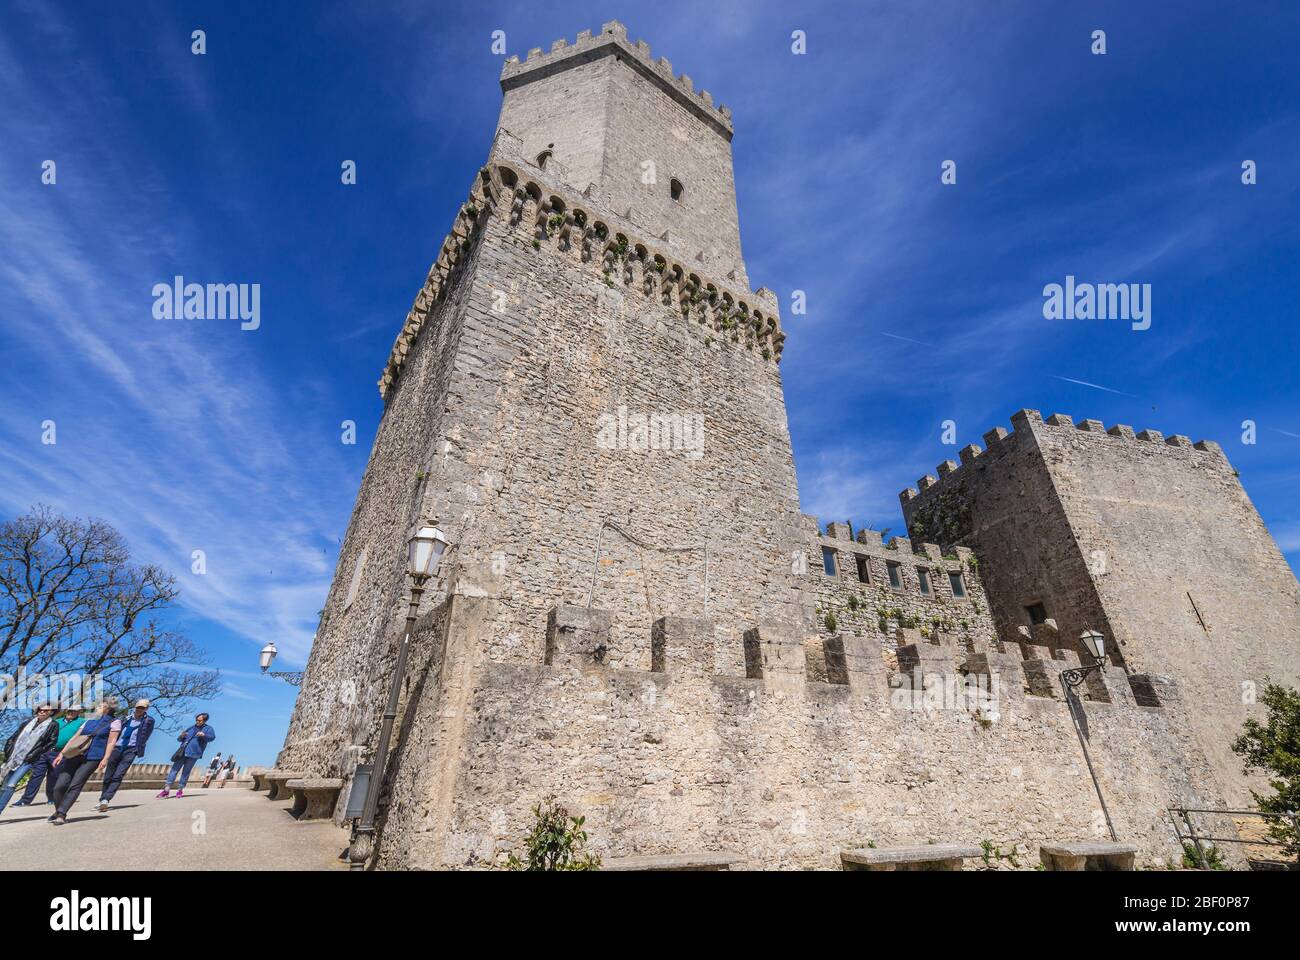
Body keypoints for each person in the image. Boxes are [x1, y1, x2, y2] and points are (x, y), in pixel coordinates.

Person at [49, 697, 120, 825]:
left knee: (75, 784)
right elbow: (74, 738)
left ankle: (62, 814)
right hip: (75, 755)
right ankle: (58, 810)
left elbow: (111, 742)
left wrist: (105, 758)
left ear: (108, 708)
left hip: (93, 757)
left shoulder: (115, 722)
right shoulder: (89, 721)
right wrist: (62, 753)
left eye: (100, 706)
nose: (97, 708)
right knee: (59, 786)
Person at [13, 706, 84, 807]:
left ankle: (51, 798)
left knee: (53, 776)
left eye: (74, 711)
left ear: (78, 712)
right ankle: (25, 800)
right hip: (44, 752)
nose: (71, 713)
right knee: (36, 775)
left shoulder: (81, 722)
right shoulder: (56, 721)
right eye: (69, 710)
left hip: (60, 753)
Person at [95, 698, 155, 811]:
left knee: (118, 775)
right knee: (108, 775)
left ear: (146, 709)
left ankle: (106, 799)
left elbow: (146, 735)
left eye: (142, 708)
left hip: (131, 750)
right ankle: (102, 799)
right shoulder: (125, 718)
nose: (139, 709)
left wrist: (138, 748)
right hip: (117, 748)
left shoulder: (149, 721)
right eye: (138, 707)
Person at [0, 704, 58, 814]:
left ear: (51, 712)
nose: (42, 712)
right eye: (40, 709)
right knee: (4, 786)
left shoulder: (53, 725)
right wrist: (8, 750)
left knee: (11, 785)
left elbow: (51, 742)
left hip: (28, 760)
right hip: (13, 758)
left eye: (46, 710)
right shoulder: (27, 722)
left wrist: (36, 753)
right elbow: (13, 737)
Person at [157, 712, 215, 798]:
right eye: (196, 720)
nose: (197, 722)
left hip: (194, 754)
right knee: (174, 770)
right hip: (182, 752)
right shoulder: (191, 728)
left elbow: (212, 738)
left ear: (204, 721)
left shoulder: (208, 729)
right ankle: (166, 790)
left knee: (186, 772)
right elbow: (179, 739)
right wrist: (182, 736)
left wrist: (204, 735)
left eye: (199, 720)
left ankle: (180, 790)